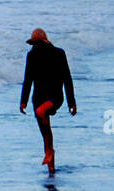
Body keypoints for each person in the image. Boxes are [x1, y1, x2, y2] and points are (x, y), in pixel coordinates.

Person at [19, 28, 76, 173]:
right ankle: (51, 166)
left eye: (37, 43)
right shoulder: (31, 55)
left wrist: (72, 103)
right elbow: (28, 80)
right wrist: (23, 101)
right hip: (38, 97)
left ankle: (50, 154)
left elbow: (67, 79)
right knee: (45, 132)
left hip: (55, 96)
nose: (35, 46)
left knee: (41, 112)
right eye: (33, 44)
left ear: (44, 41)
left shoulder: (58, 53)